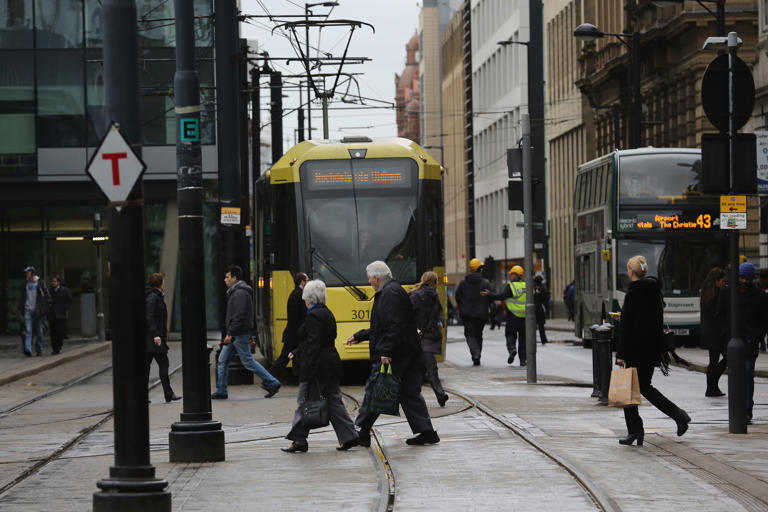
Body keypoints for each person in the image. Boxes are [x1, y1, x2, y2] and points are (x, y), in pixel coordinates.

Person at [347, 261, 439, 447]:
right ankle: (427, 432)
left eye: (370, 279)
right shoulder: (393, 291)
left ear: (376, 277)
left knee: (376, 389)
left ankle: (361, 432)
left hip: (398, 353)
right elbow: (385, 325)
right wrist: (361, 336)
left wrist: (387, 350)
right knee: (409, 393)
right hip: (408, 350)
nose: (369, 283)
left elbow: (394, 324)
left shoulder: (388, 294)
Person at [616, 255, 691, 446]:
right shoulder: (654, 292)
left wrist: (621, 354)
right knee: (644, 387)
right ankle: (676, 416)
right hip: (650, 350)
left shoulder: (633, 294)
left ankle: (636, 430)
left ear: (630, 272)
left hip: (634, 350)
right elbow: (650, 321)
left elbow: (629, 327)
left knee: (629, 391)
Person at [282, 280, 360, 453]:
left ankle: (299, 440)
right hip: (330, 364)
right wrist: (297, 351)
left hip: (318, 367)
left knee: (304, 401)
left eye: (305, 298)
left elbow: (314, 345)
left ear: (309, 298)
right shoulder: (327, 313)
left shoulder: (313, 315)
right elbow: (319, 340)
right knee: (334, 402)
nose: (304, 301)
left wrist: (307, 372)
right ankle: (349, 436)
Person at [212, 265, 281, 400]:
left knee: (247, 361)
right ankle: (221, 390)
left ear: (234, 278)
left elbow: (239, 315)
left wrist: (230, 333)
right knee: (223, 360)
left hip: (239, 333)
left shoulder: (239, 293)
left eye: (227, 277)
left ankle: (273, 382)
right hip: (238, 333)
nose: (225, 280)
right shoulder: (237, 292)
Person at [716, 262, 768, 424]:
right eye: (742, 278)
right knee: (735, 377)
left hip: (749, 342)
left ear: (753, 279)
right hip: (732, 342)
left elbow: (764, 320)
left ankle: (746, 409)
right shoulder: (727, 293)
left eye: (748, 279)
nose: (745, 281)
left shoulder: (760, 296)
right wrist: (726, 336)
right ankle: (738, 408)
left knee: (747, 375)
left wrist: (756, 338)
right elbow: (720, 315)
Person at [409, 271, 449, 407]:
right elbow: (439, 312)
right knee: (429, 368)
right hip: (427, 336)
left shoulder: (415, 295)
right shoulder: (431, 296)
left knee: (423, 368)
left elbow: (408, 314)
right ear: (434, 282)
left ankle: (439, 395)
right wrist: (439, 323)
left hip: (420, 336)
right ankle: (439, 395)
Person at [145, 273, 181, 403]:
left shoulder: (155, 296)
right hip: (154, 339)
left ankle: (167, 393)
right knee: (163, 364)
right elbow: (149, 316)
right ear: (160, 283)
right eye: (163, 281)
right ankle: (168, 393)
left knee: (150, 366)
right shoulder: (153, 297)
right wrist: (156, 335)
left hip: (152, 339)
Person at [484, 266, 527, 366]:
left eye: (511, 274)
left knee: (510, 335)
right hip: (525, 318)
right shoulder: (527, 286)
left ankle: (512, 349)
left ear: (515, 275)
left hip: (512, 316)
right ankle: (523, 360)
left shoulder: (511, 286)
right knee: (523, 339)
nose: (510, 276)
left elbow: (501, 296)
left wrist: (489, 294)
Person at [269, 272, 308, 376]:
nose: (308, 282)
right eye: (307, 280)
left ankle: (269, 378)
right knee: (283, 359)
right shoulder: (299, 295)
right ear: (302, 282)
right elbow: (300, 316)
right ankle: (269, 378)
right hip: (294, 335)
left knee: (285, 358)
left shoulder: (295, 293)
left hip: (293, 333)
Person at [455, 258, 491, 365]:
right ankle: (477, 354)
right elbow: (490, 296)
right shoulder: (485, 283)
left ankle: (475, 354)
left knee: (470, 335)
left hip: (467, 314)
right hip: (481, 314)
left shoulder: (463, 283)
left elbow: (457, 297)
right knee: (479, 334)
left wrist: (462, 306)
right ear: (480, 269)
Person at [699, 267, 727, 397]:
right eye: (722, 281)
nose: (723, 283)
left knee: (714, 360)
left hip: (709, 332)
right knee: (728, 357)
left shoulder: (705, 292)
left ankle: (711, 387)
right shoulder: (717, 294)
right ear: (716, 280)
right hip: (717, 333)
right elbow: (719, 313)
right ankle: (712, 386)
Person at [18, 266, 50, 357]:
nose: (26, 274)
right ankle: (28, 348)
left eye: (27, 273)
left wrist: (43, 310)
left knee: (39, 331)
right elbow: (22, 298)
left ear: (32, 273)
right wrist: (22, 309)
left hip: (38, 311)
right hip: (28, 310)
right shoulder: (25, 284)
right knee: (28, 330)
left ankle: (39, 349)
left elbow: (47, 297)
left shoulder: (40, 283)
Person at [48, 275, 72, 355]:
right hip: (52, 314)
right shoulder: (50, 290)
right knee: (53, 332)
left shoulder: (64, 290)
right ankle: (55, 348)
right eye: (52, 281)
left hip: (61, 314)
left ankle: (59, 345)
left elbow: (69, 300)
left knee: (60, 331)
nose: (53, 283)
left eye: (55, 281)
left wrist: (65, 308)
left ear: (58, 282)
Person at [533, 275, 549, 345]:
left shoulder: (532, 288)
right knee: (541, 326)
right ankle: (543, 339)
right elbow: (546, 298)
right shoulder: (543, 288)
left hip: (533, 308)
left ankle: (532, 339)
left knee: (532, 326)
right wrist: (546, 307)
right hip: (540, 308)